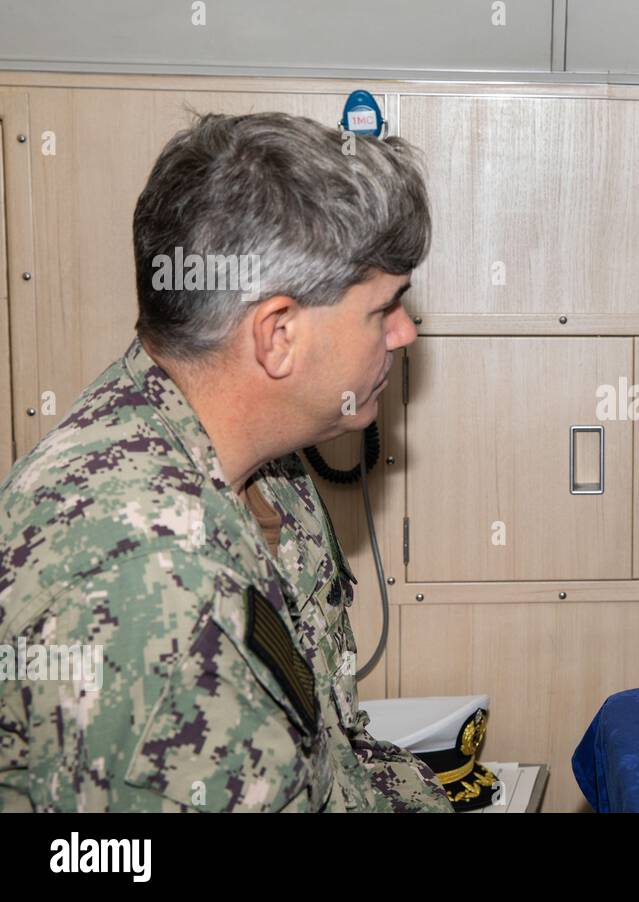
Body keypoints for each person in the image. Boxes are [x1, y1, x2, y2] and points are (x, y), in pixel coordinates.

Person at [0, 111, 453, 811]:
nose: (406, 331)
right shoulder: (141, 592)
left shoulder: (267, 466)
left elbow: (332, 749)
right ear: (277, 337)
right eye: (384, 308)